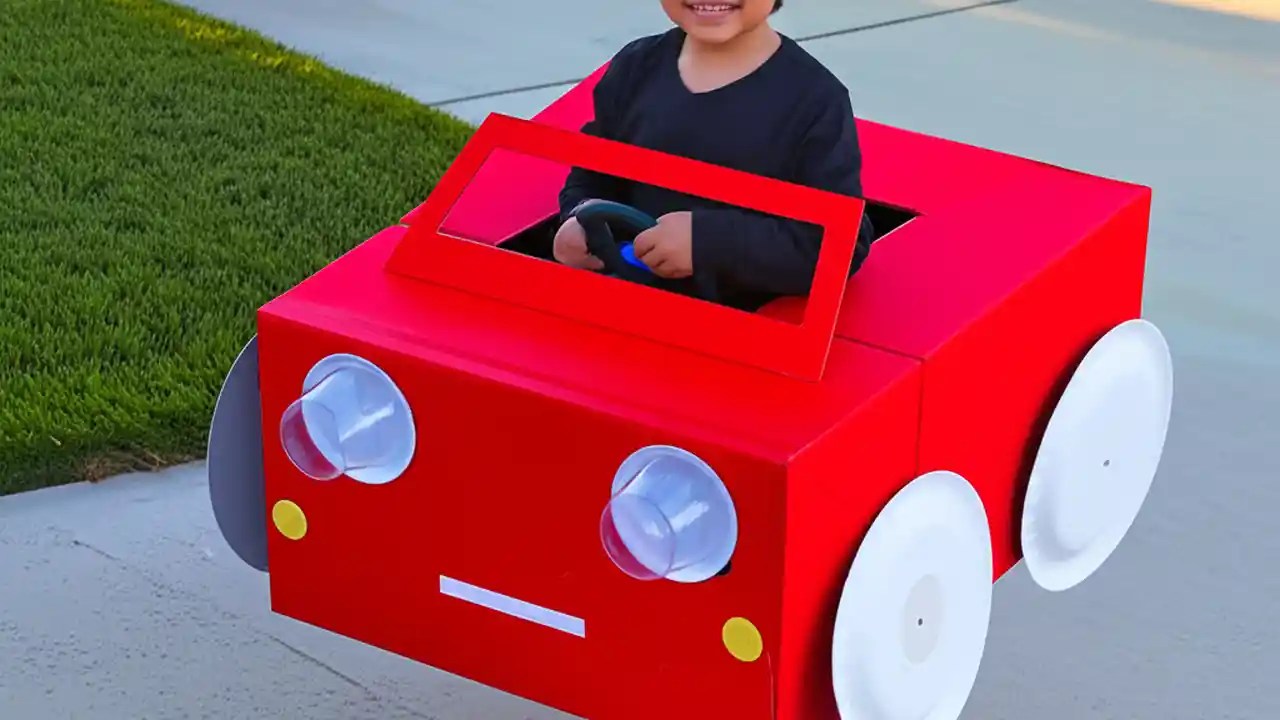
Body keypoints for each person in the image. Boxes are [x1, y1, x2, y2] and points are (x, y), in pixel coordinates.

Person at [553, 0, 875, 311]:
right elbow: (593, 175)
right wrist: (580, 217)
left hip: (739, 332)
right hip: (625, 303)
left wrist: (707, 242)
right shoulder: (635, 68)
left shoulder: (815, 102)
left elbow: (837, 245)